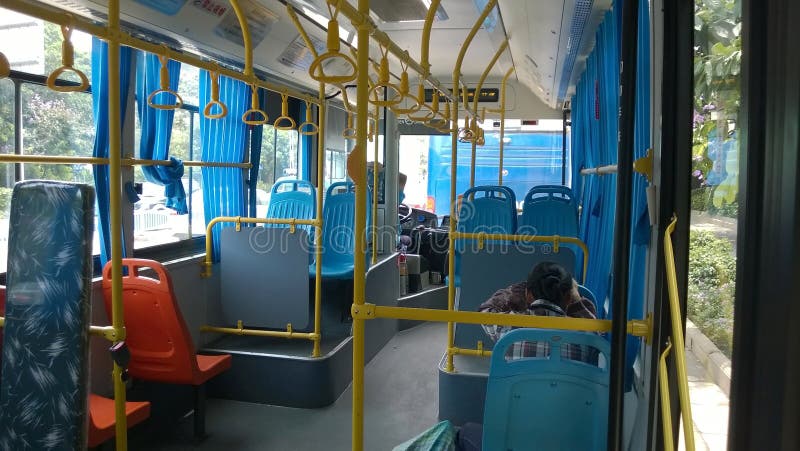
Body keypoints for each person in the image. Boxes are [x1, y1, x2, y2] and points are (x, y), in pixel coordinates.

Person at [479, 261, 599, 363]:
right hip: (566, 391)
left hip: (518, 391)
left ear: (528, 295)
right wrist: (576, 299)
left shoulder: (506, 327)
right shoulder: (585, 336)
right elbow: (590, 318)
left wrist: (516, 289)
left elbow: (485, 311)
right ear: (569, 298)